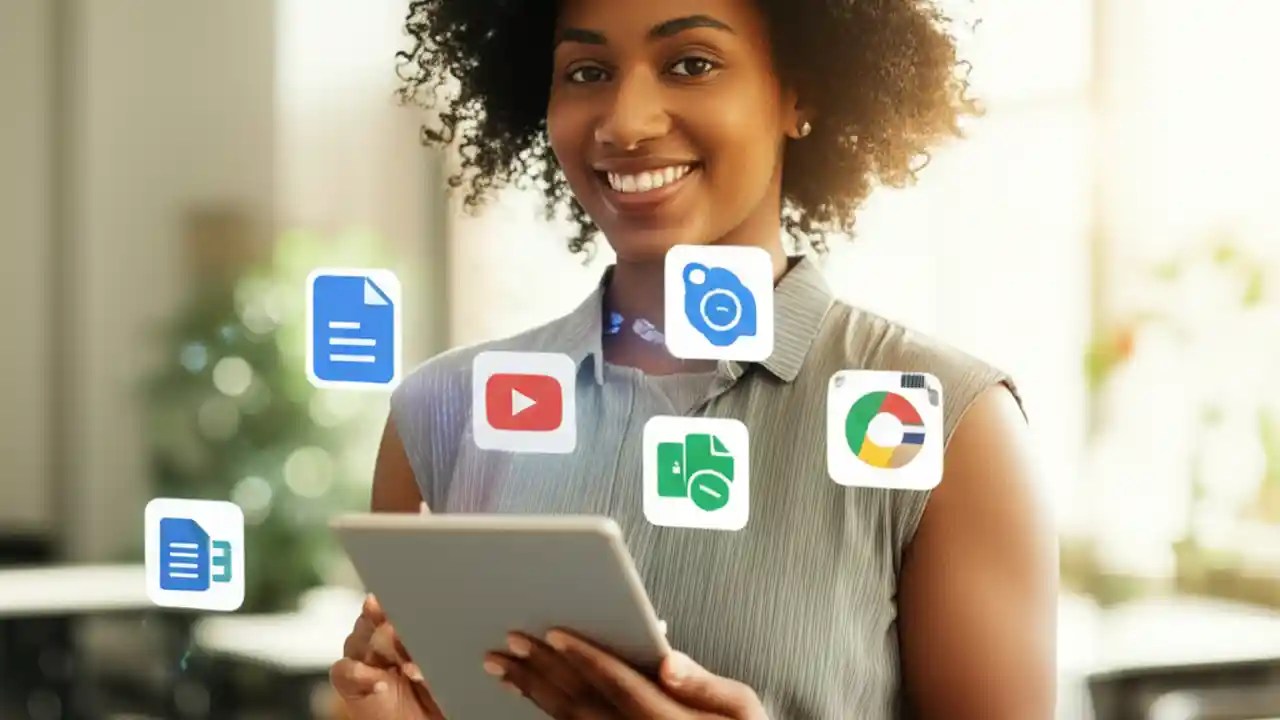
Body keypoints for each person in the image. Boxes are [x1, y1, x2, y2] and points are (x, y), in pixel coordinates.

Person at [330, 0, 1058, 718]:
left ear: (796, 94)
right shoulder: (437, 417)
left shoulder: (954, 425)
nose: (626, 121)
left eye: (691, 64)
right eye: (586, 72)